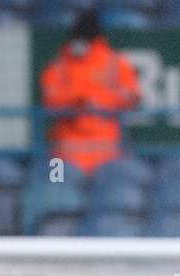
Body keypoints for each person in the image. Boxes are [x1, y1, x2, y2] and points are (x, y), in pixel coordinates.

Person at [39, 9, 140, 176]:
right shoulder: (60, 65)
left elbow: (133, 97)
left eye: (84, 39)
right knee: (57, 186)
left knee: (115, 190)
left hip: (106, 146)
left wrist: (100, 100)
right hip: (67, 147)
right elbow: (50, 100)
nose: (80, 43)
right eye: (77, 38)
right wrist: (78, 98)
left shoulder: (114, 63)